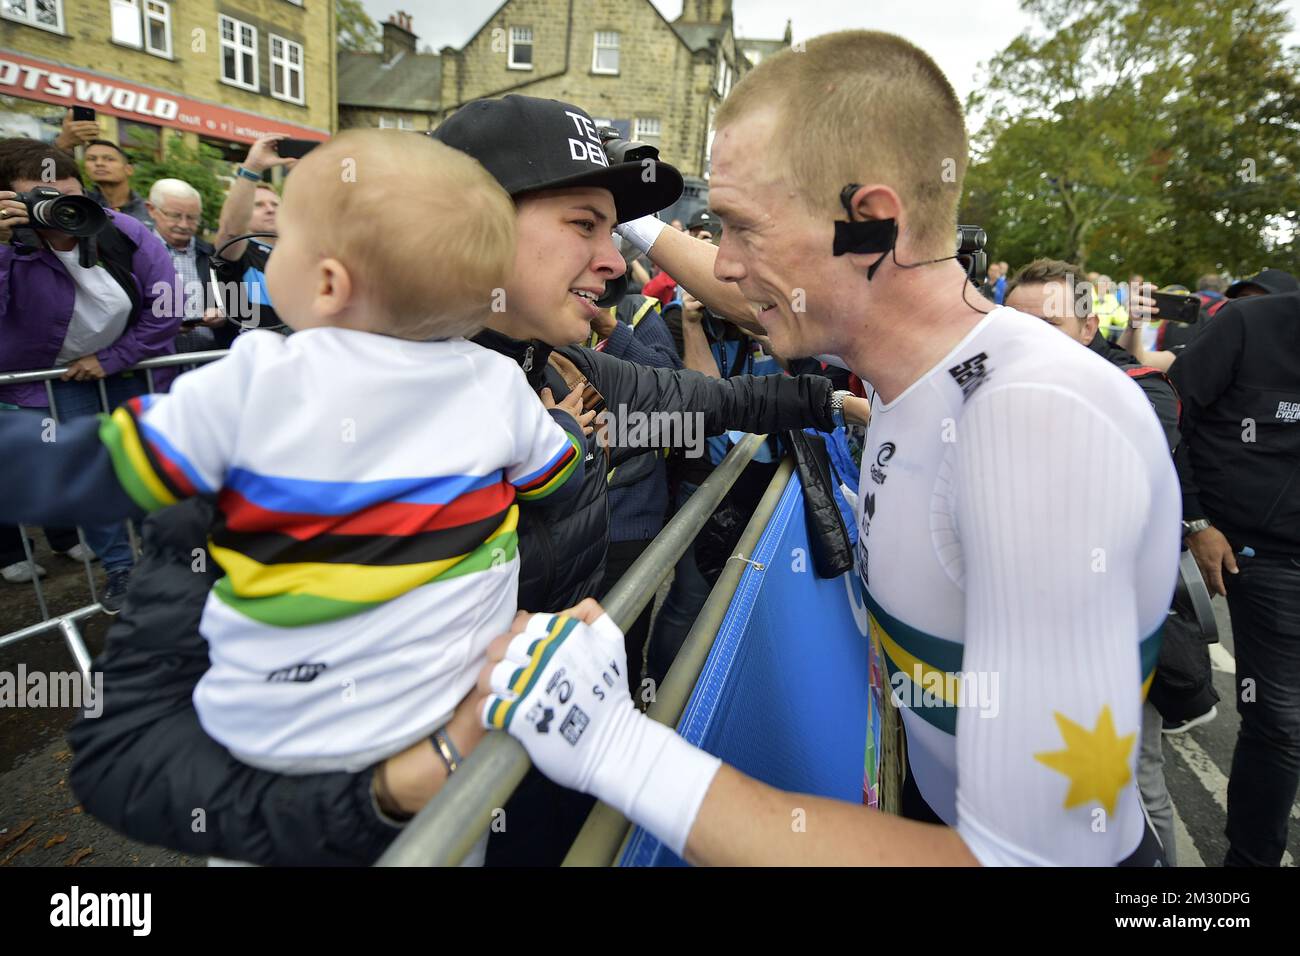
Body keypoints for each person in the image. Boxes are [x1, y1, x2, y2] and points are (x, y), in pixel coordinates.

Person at [64, 95, 864, 865]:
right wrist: (400, 788)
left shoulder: (557, 365)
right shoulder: (277, 410)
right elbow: (124, 756)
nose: (615, 261)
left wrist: (834, 397)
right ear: (467, 225)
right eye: (583, 224)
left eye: (611, 229)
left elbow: (719, 398)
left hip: (536, 790)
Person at [478, 30, 1180, 867]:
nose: (725, 267)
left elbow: (1037, 859)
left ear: (871, 224)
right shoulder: (906, 375)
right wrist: (631, 225)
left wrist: (611, 746)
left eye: (741, 229)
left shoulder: (1032, 419)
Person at [2, 130, 588, 806]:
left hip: (278, 742)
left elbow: (89, 467)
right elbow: (556, 476)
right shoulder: (495, 382)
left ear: (329, 283)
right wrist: (563, 429)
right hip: (449, 729)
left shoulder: (260, 376)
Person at [1004, 258, 1184, 863]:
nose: (1028, 340)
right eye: (1016, 323)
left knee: (1134, 783)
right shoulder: (1009, 384)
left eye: (1047, 324)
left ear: (1086, 325)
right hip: (1031, 633)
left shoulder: (1141, 390)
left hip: (1115, 632)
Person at [0, 138, 178, 612]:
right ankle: (119, 570)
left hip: (130, 368)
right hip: (56, 382)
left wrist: (116, 356)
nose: (59, 210)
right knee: (92, 479)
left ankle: (165, 566)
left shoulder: (124, 231)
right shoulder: (7, 245)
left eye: (68, 195)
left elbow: (167, 308)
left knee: (150, 470)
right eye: (40, 198)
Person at [1168, 289, 1300, 867]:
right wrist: (1196, 520)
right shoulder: (1248, 324)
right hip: (1264, 559)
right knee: (1280, 723)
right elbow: (1170, 420)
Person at [212, 135, 294, 335]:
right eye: (258, 205)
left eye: (275, 204)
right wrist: (252, 168)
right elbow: (231, 231)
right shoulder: (240, 251)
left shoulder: (298, 255)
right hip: (254, 359)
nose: (270, 209)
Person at [144, 178, 225, 353]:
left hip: (208, 360)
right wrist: (164, 325)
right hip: (155, 363)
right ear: (151, 210)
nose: (184, 224)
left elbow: (238, 303)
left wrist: (223, 314)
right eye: (174, 215)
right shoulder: (137, 254)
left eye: (192, 218)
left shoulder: (212, 254)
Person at [641, 209, 720, 304]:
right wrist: (689, 259)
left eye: (709, 236)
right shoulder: (677, 265)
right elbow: (649, 292)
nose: (704, 242)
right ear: (688, 236)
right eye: (697, 235)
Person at [83, 140, 151, 224]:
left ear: (129, 169)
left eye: (109, 159)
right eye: (91, 159)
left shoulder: (149, 210)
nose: (99, 163)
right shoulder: (83, 206)